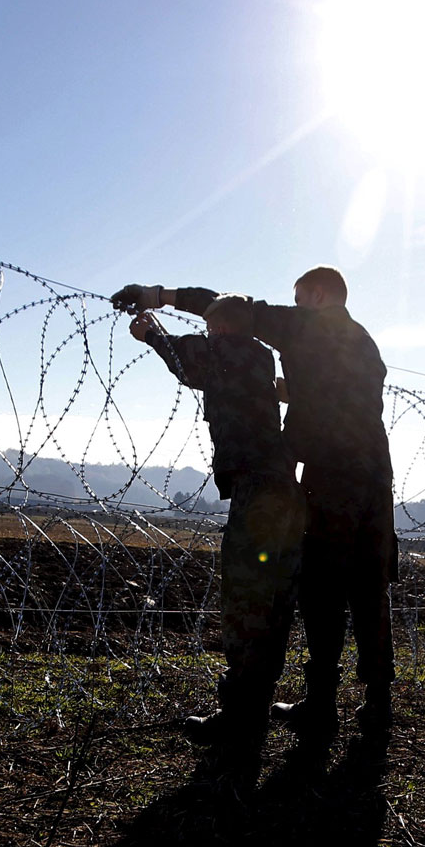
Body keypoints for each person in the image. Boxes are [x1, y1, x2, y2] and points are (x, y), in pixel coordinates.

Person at [113, 268, 396, 744]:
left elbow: (233, 310)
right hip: (375, 474)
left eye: (299, 296)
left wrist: (157, 296)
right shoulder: (363, 345)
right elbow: (327, 398)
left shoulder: (312, 327)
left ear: (320, 295)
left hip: (331, 477)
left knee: (321, 591)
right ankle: (377, 703)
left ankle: (319, 705)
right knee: (370, 588)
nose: (293, 306)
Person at [128, 302, 306, 752]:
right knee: (271, 600)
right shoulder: (253, 357)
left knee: (246, 596)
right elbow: (199, 364)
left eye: (210, 326)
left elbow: (194, 364)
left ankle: (240, 715)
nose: (207, 333)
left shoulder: (238, 352)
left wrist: (153, 335)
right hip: (277, 487)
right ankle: (254, 709)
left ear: (223, 326)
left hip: (259, 490)